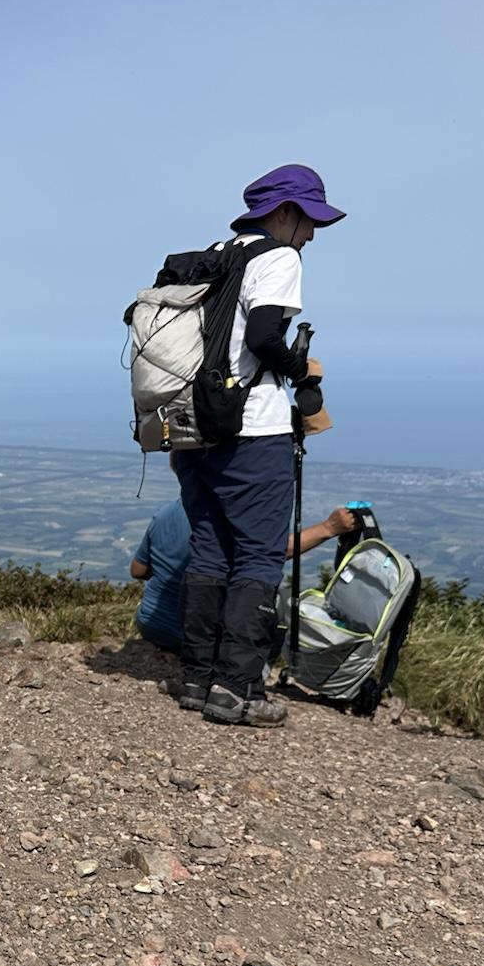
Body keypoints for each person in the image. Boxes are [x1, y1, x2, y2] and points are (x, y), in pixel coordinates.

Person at [169, 164, 345, 726]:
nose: (312, 235)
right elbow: (267, 337)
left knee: (210, 546)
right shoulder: (278, 258)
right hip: (252, 428)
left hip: (193, 428)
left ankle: (198, 678)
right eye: (310, 220)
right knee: (258, 553)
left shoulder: (217, 254)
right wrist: (300, 368)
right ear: (286, 213)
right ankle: (238, 688)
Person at [132, 498, 366, 653]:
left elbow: (138, 570)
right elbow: (267, 555)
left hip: (151, 623)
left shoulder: (165, 513)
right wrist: (328, 528)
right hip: (194, 636)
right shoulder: (228, 517)